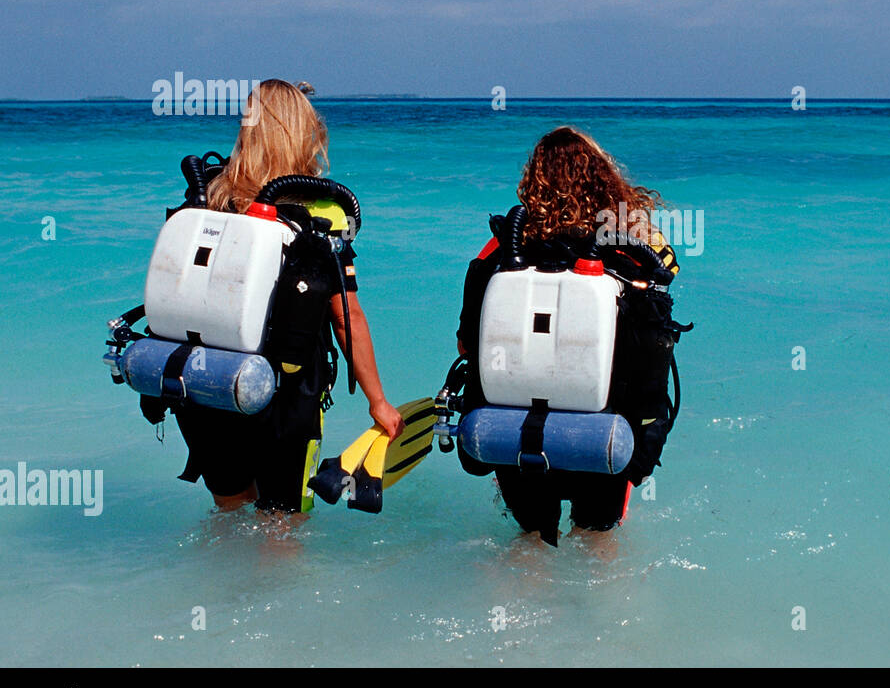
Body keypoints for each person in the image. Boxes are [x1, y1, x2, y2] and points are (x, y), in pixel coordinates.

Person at [146, 79, 402, 512]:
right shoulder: (323, 211)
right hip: (285, 394)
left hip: (205, 385)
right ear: (306, 134)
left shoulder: (207, 198)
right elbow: (346, 318)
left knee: (229, 510)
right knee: (281, 525)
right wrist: (378, 401)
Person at [453, 126, 688, 544]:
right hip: (601, 430)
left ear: (533, 182)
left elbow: (468, 344)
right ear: (604, 177)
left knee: (528, 543)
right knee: (598, 542)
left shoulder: (501, 251)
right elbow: (658, 311)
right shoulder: (630, 247)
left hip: (515, 430)